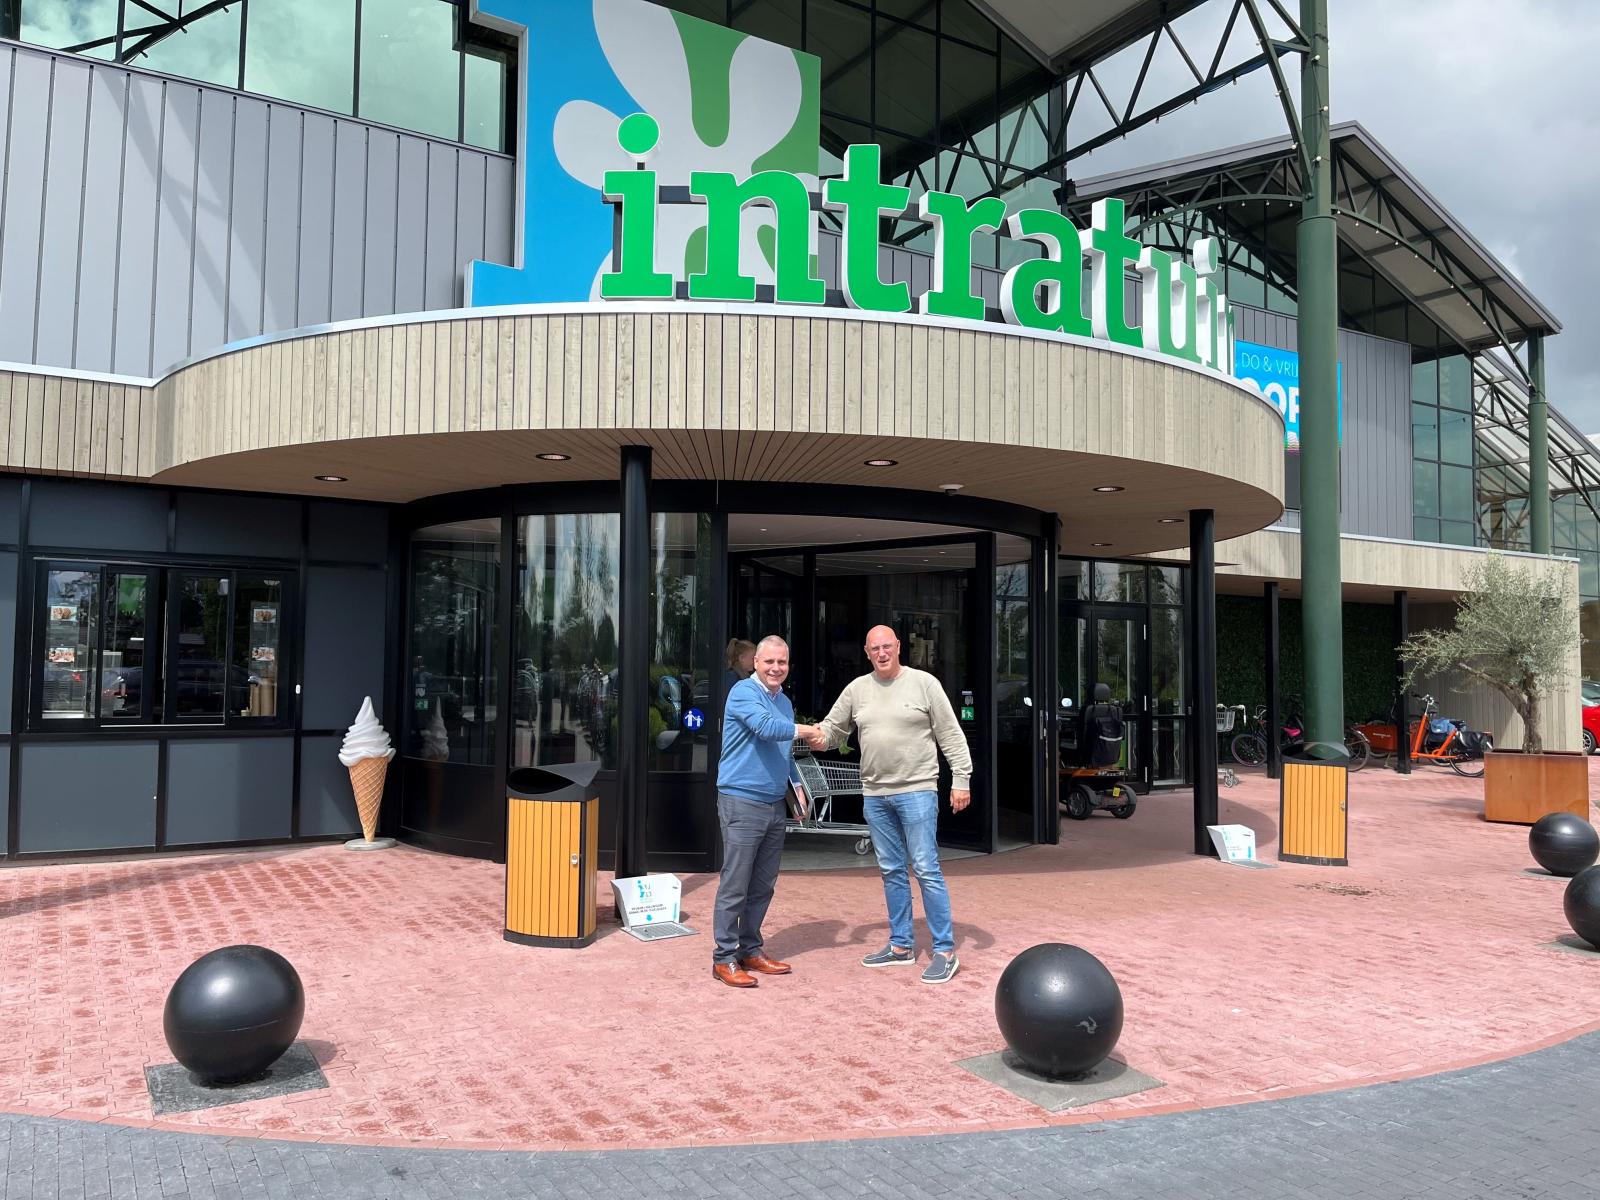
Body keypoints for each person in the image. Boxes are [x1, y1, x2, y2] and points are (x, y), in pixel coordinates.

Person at [807, 625, 972, 985]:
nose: (881, 653)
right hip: (875, 794)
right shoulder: (857, 689)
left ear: (898, 647)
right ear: (867, 653)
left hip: (917, 790)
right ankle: (900, 946)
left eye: (887, 646)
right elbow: (833, 730)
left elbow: (950, 733)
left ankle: (945, 951)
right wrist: (812, 736)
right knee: (891, 870)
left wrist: (961, 778)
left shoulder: (924, 684)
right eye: (874, 649)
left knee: (926, 868)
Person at [712, 635, 818, 988]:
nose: (776, 668)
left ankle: (750, 950)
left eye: (782, 662)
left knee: (762, 885)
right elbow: (767, 728)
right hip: (741, 800)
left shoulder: (783, 701)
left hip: (774, 803)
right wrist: (809, 730)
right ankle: (723, 957)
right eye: (769, 661)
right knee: (735, 883)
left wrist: (796, 785)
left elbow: (782, 749)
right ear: (755, 662)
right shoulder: (743, 692)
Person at [1080, 682, 1125, 767]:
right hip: (1112, 753)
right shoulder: (1116, 710)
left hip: (1089, 751)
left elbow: (1082, 732)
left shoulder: (1088, 710)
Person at [720, 638, 757, 708]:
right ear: (741, 658)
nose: (755, 662)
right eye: (752, 658)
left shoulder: (743, 676)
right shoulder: (731, 678)